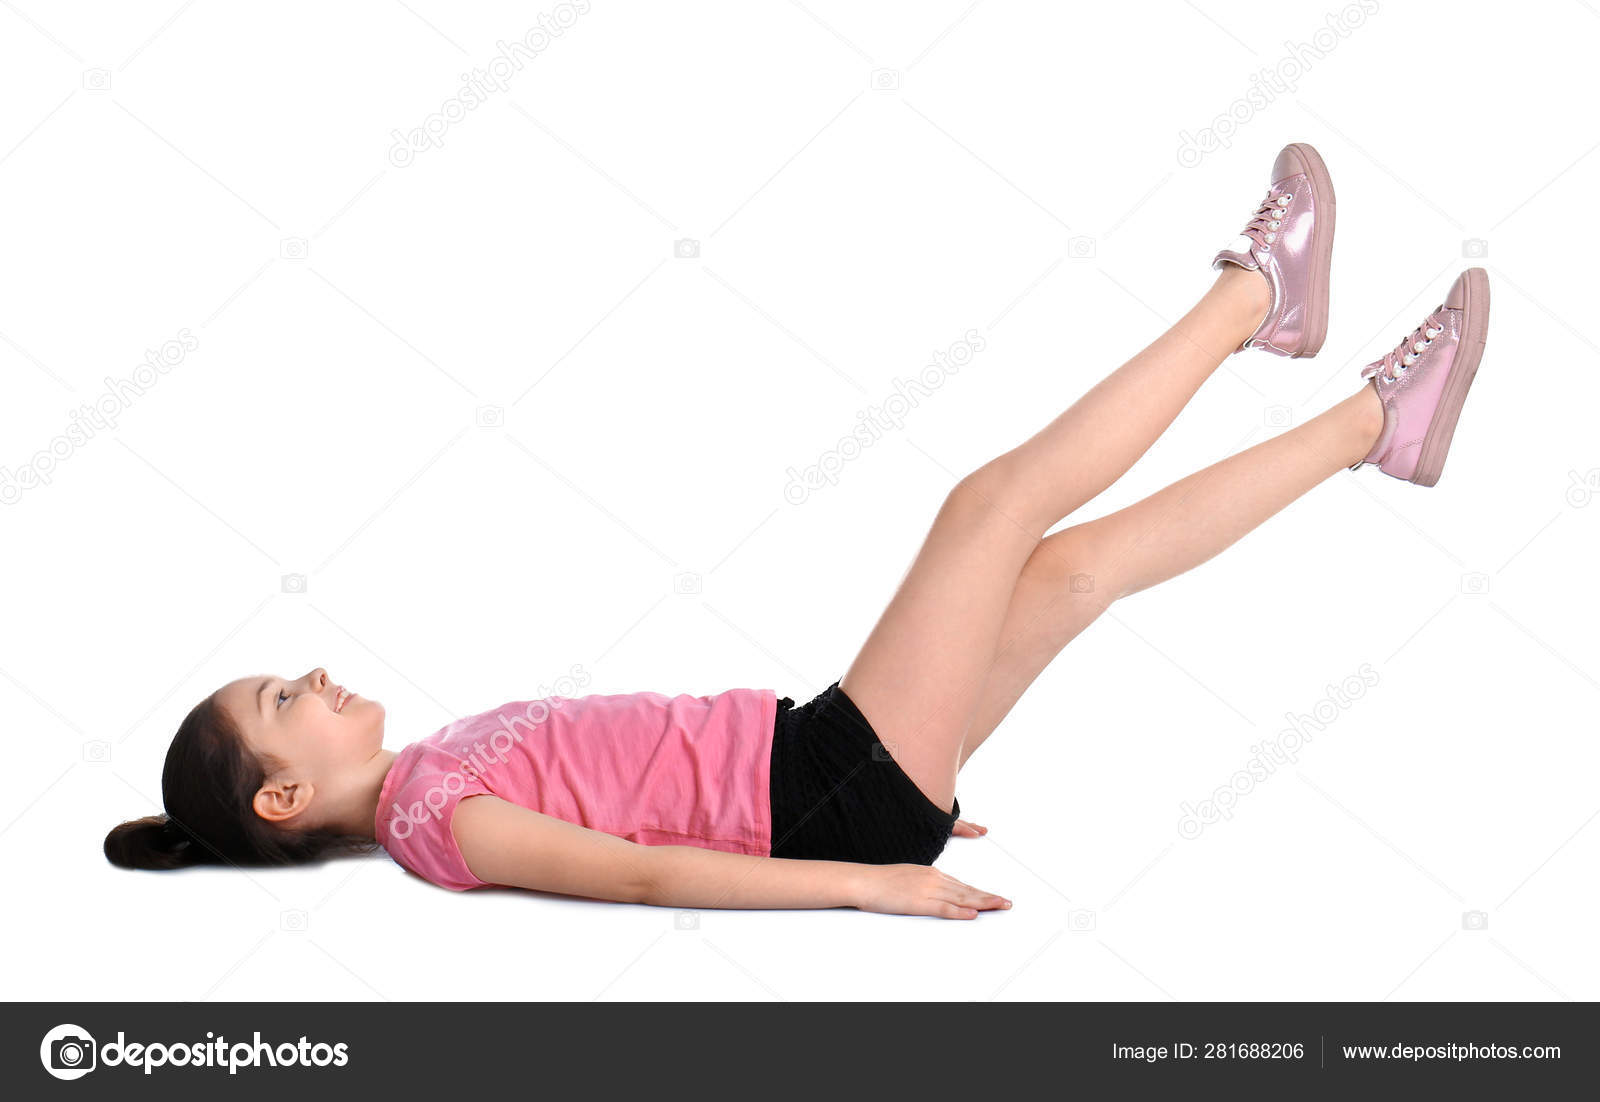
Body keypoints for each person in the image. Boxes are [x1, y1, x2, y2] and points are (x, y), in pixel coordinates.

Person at [105, 143, 1490, 920]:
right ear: (282, 796)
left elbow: (646, 793)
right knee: (990, 508)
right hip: (828, 789)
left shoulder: (424, 781)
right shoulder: (430, 818)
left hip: (832, 762)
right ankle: (1256, 304)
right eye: (285, 702)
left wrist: (906, 799)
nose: (316, 678)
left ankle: (1381, 422)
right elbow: (644, 873)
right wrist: (869, 879)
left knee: (1073, 569)